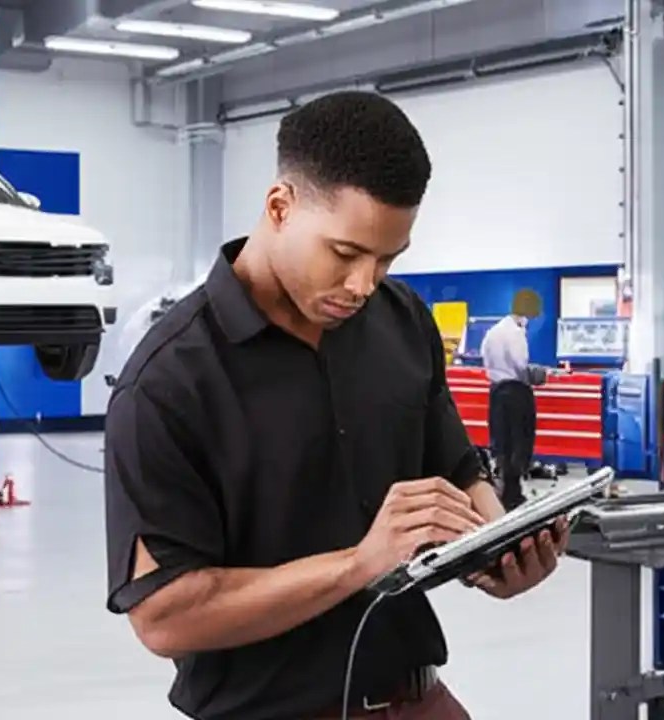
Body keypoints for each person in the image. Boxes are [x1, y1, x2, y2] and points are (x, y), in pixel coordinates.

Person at [103, 91, 568, 720]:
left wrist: (496, 550)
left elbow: (456, 469)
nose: (363, 285)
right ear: (279, 207)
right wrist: (356, 564)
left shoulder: (402, 322)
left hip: (418, 697)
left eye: (387, 259)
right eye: (345, 254)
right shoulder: (168, 382)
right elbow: (163, 615)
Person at [479, 290, 550, 510]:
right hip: (517, 392)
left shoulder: (493, 331)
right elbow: (521, 364)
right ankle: (513, 493)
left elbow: (485, 358)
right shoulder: (516, 333)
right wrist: (538, 375)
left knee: (501, 441)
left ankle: (504, 489)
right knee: (520, 441)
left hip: (497, 391)